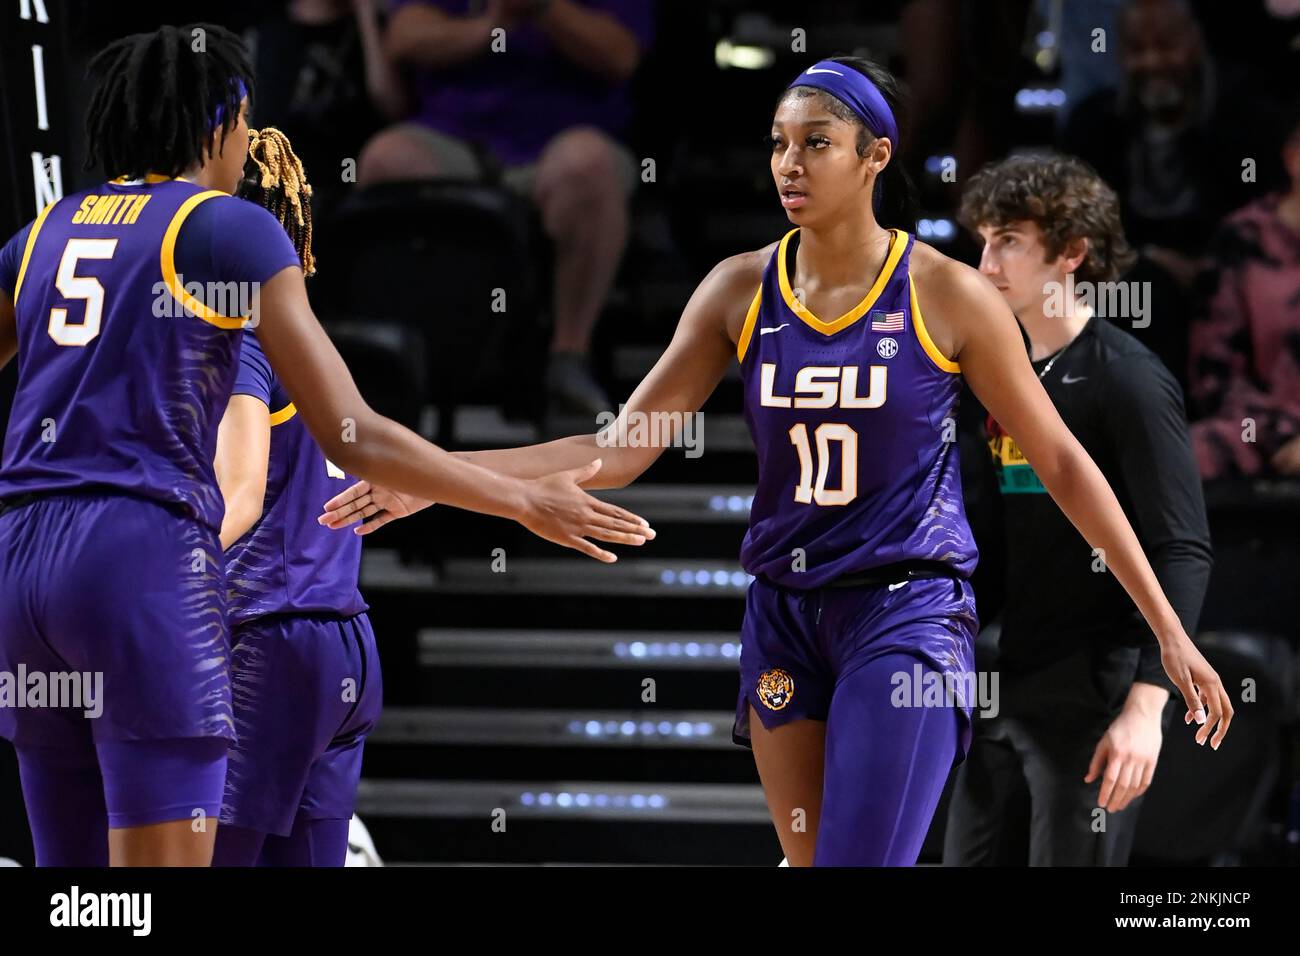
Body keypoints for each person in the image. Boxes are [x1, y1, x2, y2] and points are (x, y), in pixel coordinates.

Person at [322, 56, 1232, 866]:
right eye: (777, 145)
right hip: (784, 613)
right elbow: (618, 449)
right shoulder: (740, 285)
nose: (789, 164)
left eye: (817, 143)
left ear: (876, 156)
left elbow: (1066, 465)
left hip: (904, 610)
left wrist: (1169, 632)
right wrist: (438, 479)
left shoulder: (946, 293)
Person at [0, 23, 648, 867]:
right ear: (225, 119)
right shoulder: (227, 229)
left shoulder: (42, 233)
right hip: (139, 555)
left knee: (77, 891)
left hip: (20, 563)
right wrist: (521, 498)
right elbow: (353, 432)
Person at [943, 153, 1212, 865]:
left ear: (1071, 253)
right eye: (983, 241)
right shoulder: (1000, 377)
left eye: (1009, 242)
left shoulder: (1128, 381)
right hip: (1005, 685)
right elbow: (993, 545)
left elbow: (1183, 547)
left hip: (1096, 694)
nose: (985, 262)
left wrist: (1148, 706)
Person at [206, 128, 380, 866]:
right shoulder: (317, 344)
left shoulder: (242, 336)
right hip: (345, 644)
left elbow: (237, 495)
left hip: (267, 641)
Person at [357, 0, 655, 415]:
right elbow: (406, 37)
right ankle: (416, 357)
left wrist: (544, 9)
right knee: (386, 159)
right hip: (456, 135)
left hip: (562, 139)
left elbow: (619, 56)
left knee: (589, 165)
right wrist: (494, 24)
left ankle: (568, 358)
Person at [1188, 98, 1300, 480]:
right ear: (1294, 158)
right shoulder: (1241, 239)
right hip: (1257, 435)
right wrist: (1282, 436)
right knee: (1185, 455)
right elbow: (1214, 376)